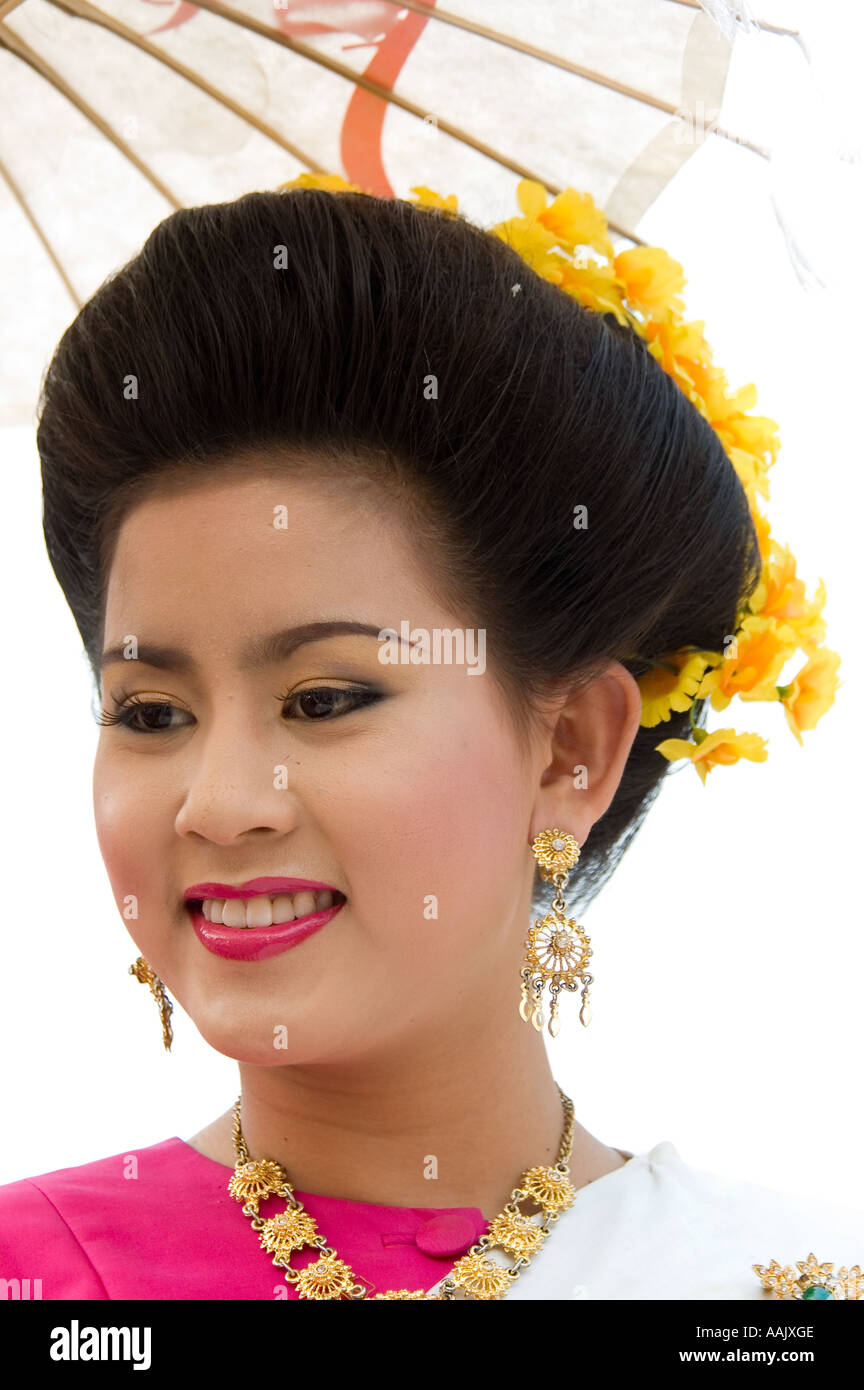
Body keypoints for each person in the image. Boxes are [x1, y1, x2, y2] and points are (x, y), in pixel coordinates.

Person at [0, 184, 859, 1301]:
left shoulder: (773, 1293)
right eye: (153, 713)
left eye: (324, 698)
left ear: (570, 752)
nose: (217, 803)